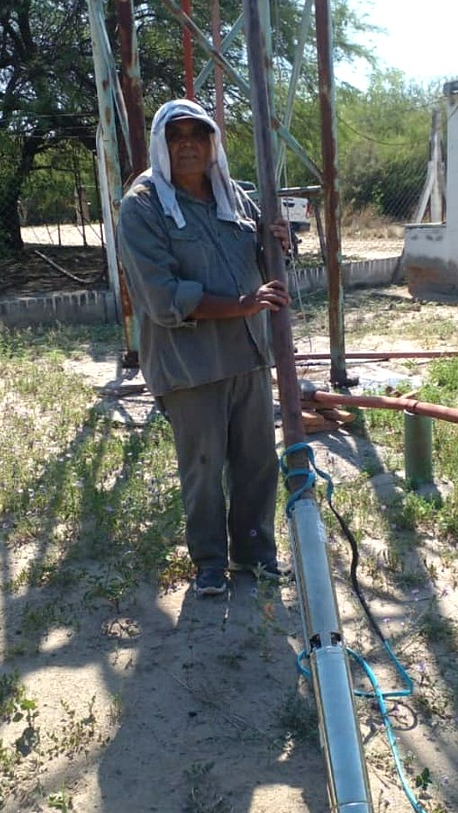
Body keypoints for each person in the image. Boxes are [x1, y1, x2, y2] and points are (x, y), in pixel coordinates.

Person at [117, 98, 292, 597]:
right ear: (161, 144)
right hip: (189, 365)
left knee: (258, 461)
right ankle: (210, 562)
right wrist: (242, 304)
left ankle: (256, 555)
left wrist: (279, 242)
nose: (188, 144)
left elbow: (264, 263)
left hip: (248, 355)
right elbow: (163, 299)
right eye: (177, 135)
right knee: (203, 467)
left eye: (199, 133)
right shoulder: (143, 206)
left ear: (213, 141)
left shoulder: (232, 196)